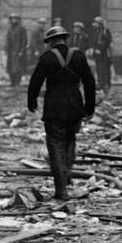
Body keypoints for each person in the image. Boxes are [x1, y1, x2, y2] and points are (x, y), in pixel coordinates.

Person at [27, 24, 96, 202]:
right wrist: (90, 108)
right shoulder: (78, 56)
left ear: (50, 42)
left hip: (54, 109)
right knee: (70, 140)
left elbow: (35, 81)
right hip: (75, 107)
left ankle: (61, 190)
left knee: (55, 146)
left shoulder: (47, 57)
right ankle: (66, 175)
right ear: (65, 38)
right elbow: (89, 82)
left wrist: (32, 101)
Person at [89, 15, 113, 97]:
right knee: (99, 69)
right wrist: (94, 51)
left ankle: (106, 85)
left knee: (105, 70)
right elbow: (95, 42)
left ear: (100, 24)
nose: (95, 25)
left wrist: (101, 50)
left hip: (105, 54)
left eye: (96, 23)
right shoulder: (97, 32)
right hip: (98, 55)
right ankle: (100, 83)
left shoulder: (105, 31)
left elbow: (107, 42)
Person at [5, 15, 27, 87]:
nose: (13, 20)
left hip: (18, 51)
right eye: (12, 19)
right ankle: (12, 82)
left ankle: (17, 82)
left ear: (18, 20)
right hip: (11, 52)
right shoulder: (10, 29)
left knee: (18, 68)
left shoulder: (21, 28)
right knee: (11, 68)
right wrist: (6, 49)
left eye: (15, 18)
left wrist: (21, 50)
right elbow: (8, 39)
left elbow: (24, 40)